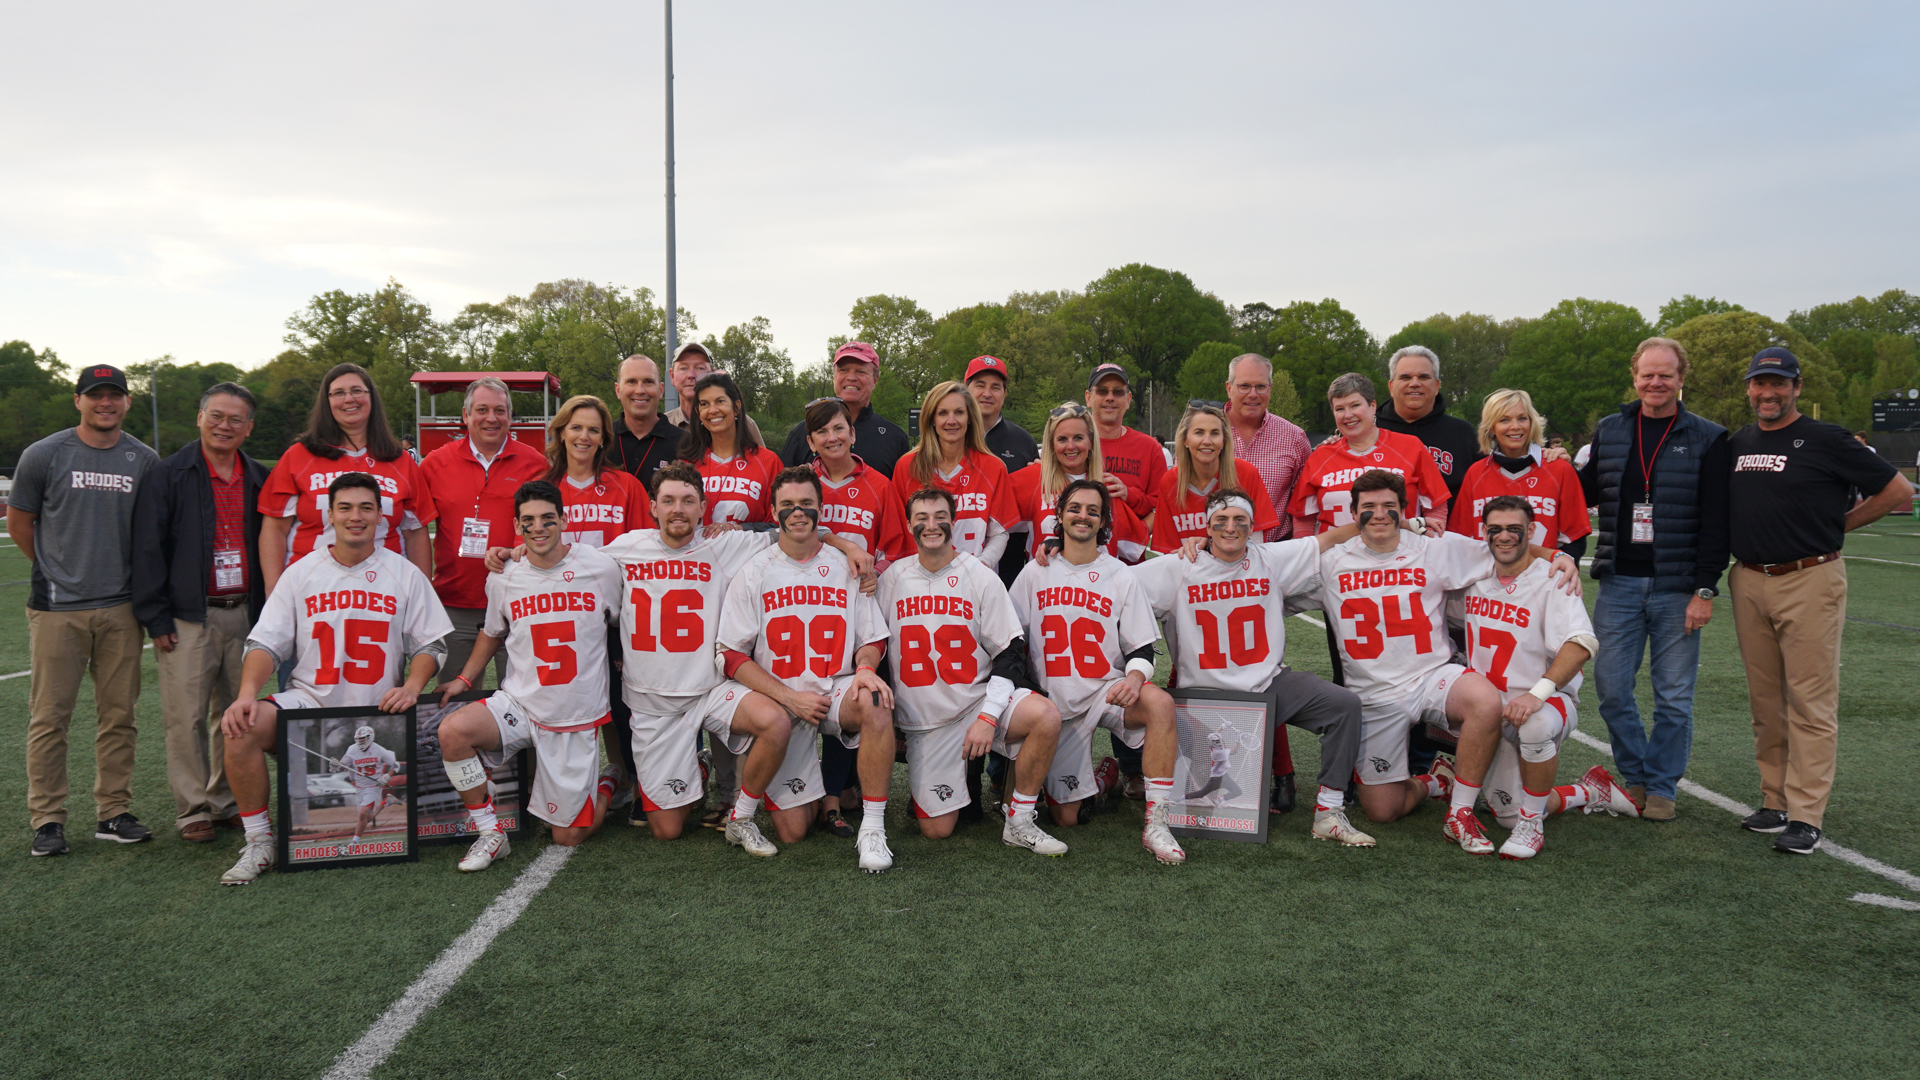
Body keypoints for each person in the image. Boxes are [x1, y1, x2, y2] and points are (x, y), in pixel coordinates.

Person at [1317, 470, 1581, 852]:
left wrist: (1556, 554)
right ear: (1352, 512)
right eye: (1368, 507)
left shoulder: (1435, 548)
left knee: (1484, 700)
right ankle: (1437, 780)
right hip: (1373, 693)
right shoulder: (1328, 561)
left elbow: (1503, 546)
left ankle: (1459, 813)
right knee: (1382, 810)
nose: (1379, 515)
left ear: (1404, 510)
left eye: (1389, 507)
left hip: (1431, 674)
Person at [599, 462, 853, 857]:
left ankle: (742, 815)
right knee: (667, 830)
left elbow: (799, 528)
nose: (678, 509)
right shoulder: (624, 549)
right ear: (653, 507)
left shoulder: (723, 545)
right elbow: (570, 562)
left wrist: (849, 547)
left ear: (704, 508)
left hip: (713, 689)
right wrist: (514, 550)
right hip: (654, 702)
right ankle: (699, 768)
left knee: (775, 720)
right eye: (668, 501)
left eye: (687, 501)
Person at [216, 472, 454, 884]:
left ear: (381, 516)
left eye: (365, 508)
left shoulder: (404, 573)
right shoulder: (301, 572)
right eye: (345, 507)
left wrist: (413, 686)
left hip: (379, 705)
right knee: (242, 726)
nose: (355, 517)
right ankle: (259, 840)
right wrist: (246, 694)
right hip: (309, 702)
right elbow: (265, 645)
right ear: (329, 515)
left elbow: (432, 645)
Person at [1726, 348, 1913, 855]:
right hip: (1749, 577)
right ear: (1749, 388)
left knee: (1810, 701)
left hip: (1809, 577)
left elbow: (1898, 490)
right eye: (1759, 384)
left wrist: (1840, 526)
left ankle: (1807, 814)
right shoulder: (1739, 441)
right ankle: (1775, 799)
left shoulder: (1827, 438)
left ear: (1796, 388)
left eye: (1778, 384)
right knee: (1766, 702)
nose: (1768, 393)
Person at [1131, 490, 1374, 846]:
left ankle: (1329, 811)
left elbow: (1328, 539)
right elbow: (1118, 585)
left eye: (1240, 521)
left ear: (1252, 524)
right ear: (1208, 527)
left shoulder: (1270, 558)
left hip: (1268, 684)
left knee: (1344, 706)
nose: (1231, 528)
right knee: (1210, 805)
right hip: (1206, 697)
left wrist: (1392, 522)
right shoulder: (1179, 565)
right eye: (1221, 521)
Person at [432, 481, 625, 870]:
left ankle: (612, 780)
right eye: (529, 521)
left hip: (574, 714)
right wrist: (465, 680)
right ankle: (491, 833)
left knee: (567, 837)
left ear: (564, 521)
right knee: (452, 732)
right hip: (519, 702)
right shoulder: (504, 575)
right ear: (517, 527)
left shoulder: (600, 567)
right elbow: (492, 632)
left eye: (547, 519)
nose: (538, 528)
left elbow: (621, 624)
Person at [1577, 336, 1731, 822]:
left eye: (1666, 374)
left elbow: (1717, 521)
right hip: (1619, 581)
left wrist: (1704, 589)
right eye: (1648, 374)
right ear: (1634, 377)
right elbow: (1579, 492)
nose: (1656, 383)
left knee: (1673, 697)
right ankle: (1636, 776)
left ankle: (1661, 786)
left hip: (1677, 588)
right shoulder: (1612, 428)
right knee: (1611, 687)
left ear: (1681, 379)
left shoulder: (1709, 436)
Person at [715, 467, 899, 872]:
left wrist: (866, 668)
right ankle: (798, 788)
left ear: (821, 509)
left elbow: (872, 637)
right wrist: (788, 698)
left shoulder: (846, 566)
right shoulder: (756, 569)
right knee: (794, 830)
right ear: (773, 510)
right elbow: (729, 655)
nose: (797, 514)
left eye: (806, 505)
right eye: (787, 506)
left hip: (832, 689)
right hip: (780, 697)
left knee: (875, 700)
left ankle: (872, 828)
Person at [11, 363, 161, 856]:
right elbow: (20, 523)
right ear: (78, 400)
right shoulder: (46, 454)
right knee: (49, 717)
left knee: (119, 716)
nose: (106, 403)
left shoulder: (143, 458)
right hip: (58, 610)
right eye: (96, 395)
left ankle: (113, 812)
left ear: (127, 402)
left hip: (120, 609)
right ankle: (48, 820)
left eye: (114, 395)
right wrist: (60, 571)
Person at [878, 486, 1068, 854]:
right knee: (936, 831)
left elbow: (1010, 651)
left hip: (977, 700)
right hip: (928, 720)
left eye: (940, 518)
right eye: (922, 518)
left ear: (953, 522)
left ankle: (1020, 820)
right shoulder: (892, 579)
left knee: (1044, 715)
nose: (931, 526)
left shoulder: (978, 574)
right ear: (908, 524)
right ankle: (949, 791)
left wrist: (989, 715)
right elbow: (877, 647)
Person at [1008, 479, 1185, 863]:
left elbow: (1141, 647)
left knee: (1160, 704)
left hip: (1104, 692)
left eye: (1092, 510)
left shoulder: (1121, 575)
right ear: (1059, 515)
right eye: (1074, 508)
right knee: (1066, 819)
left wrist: (1136, 677)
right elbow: (1010, 640)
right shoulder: (1034, 572)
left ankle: (1157, 822)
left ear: (1104, 519)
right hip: (1053, 707)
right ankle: (1107, 777)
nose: (1083, 516)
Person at [1463, 496, 1639, 860]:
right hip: (1487, 708)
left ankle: (1536, 821)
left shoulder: (1551, 577)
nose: (1504, 537)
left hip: (1542, 702)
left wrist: (1536, 693)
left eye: (1515, 529)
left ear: (1532, 531)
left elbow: (1581, 643)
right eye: (1495, 529)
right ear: (1484, 532)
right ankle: (1449, 777)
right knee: (1503, 812)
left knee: (1536, 727)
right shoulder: (1471, 573)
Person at [130, 381, 269, 843]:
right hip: (191, 614)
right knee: (185, 716)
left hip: (245, 611)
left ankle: (226, 800)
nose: (224, 426)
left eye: (235, 419)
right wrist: (156, 616)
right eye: (217, 416)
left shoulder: (258, 477)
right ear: (200, 417)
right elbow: (147, 547)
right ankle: (192, 809)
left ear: (248, 428)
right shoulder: (168, 473)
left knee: (234, 714)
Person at [539, 393, 650, 823]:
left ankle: (639, 783)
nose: (583, 436)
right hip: (557, 618)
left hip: (615, 616)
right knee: (568, 701)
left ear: (605, 437)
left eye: (593, 429)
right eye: (576, 427)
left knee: (625, 704)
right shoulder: (543, 484)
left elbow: (644, 555)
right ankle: (581, 785)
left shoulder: (626, 486)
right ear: (561, 431)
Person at [804, 395, 913, 836]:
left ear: (852, 433)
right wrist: (845, 545)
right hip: (807, 606)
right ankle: (819, 790)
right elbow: (787, 527)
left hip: (861, 606)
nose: (832, 437)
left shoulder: (878, 484)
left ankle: (847, 792)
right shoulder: (799, 481)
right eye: (822, 431)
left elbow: (895, 547)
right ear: (811, 440)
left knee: (856, 691)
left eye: (839, 429)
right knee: (816, 690)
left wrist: (874, 574)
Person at [257, 362, 432, 595]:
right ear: (327, 402)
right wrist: (274, 592)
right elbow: (274, 529)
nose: (349, 399)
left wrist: (423, 594)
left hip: (385, 592)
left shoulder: (400, 461)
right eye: (338, 393)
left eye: (357, 390)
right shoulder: (299, 456)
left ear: (371, 398)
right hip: (310, 592)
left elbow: (415, 532)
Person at [419, 377, 548, 690]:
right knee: (451, 700)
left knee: (521, 699)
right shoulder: (435, 463)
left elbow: (545, 527)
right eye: (482, 410)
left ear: (510, 416)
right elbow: (416, 529)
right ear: (465, 416)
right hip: (455, 603)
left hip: (516, 601)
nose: (492, 418)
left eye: (500, 410)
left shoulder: (535, 462)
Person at [1290, 372, 1451, 537]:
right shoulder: (1320, 456)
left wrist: (1430, 543)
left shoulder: (1411, 447)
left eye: (1355, 405)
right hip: (1336, 558)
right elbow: (1304, 518)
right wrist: (1309, 557)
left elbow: (1436, 506)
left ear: (1372, 406)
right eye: (1340, 409)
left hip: (1401, 556)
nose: (1348, 415)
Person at [1448, 388, 1591, 559]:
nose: (1515, 426)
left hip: (1543, 580)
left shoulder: (1559, 469)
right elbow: (1461, 539)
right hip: (1488, 581)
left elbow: (1574, 538)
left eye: (1522, 418)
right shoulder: (1476, 473)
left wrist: (1555, 576)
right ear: (1491, 427)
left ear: (1532, 423)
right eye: (1504, 420)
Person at [892, 380, 1020, 569]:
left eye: (959, 412)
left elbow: (999, 533)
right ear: (931, 419)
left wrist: (981, 566)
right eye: (943, 413)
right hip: (921, 582)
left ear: (969, 417)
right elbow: (897, 531)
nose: (951, 421)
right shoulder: (908, 467)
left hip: (974, 582)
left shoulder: (993, 467)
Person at [1007, 403, 1149, 564]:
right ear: (1052, 444)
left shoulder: (1105, 487)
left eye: (1078, 438)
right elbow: (989, 522)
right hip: (1048, 585)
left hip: (1100, 586)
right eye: (1062, 439)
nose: (1071, 446)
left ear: (1090, 441)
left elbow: (1137, 541)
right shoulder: (1033, 480)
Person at [1151, 401, 1278, 552]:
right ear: (1185, 439)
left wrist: (1212, 548)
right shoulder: (1170, 481)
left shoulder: (1246, 473)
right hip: (1189, 572)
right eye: (1199, 432)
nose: (1207, 441)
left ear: (1224, 440)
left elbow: (1256, 546)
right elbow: (1168, 553)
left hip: (1238, 571)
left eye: (1215, 433)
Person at [964, 355, 1041, 587]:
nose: (987, 393)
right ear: (966, 389)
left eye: (995, 387)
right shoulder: (950, 434)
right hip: (954, 559)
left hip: (1010, 566)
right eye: (980, 385)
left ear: (1004, 394)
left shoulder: (1023, 440)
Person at [780, 341, 911, 477]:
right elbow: (781, 490)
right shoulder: (803, 432)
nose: (851, 377)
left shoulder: (894, 438)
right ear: (834, 376)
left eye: (860, 371)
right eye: (843, 370)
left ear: (875, 380)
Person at [1377, 345, 1483, 501]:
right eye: (1405, 377)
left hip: (1447, 524)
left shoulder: (1463, 433)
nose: (1414, 383)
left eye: (1423, 377)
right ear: (1391, 386)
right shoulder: (1368, 429)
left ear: (1436, 386)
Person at [1225, 353, 1312, 543]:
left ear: (1270, 389)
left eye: (1260, 386)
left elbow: (1303, 506)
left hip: (1275, 555)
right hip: (1213, 555)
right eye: (1244, 386)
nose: (1253, 394)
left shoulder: (1294, 437)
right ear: (1229, 388)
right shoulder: (1205, 434)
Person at [681, 371, 786, 525]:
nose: (712, 410)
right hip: (696, 549)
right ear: (698, 413)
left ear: (736, 407)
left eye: (720, 401)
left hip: (752, 548)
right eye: (704, 404)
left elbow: (781, 525)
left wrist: (741, 530)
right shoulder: (686, 464)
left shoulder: (768, 462)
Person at [1083, 363, 1165, 532]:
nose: (1110, 397)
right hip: (1078, 551)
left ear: (1128, 400)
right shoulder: (1071, 446)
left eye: (1118, 392)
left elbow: (1162, 507)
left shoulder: (1149, 447)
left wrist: (1128, 495)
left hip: (1129, 555)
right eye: (1102, 391)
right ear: (1088, 398)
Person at [607, 354, 685, 489]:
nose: (640, 390)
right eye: (631, 381)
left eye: (648, 382)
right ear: (618, 390)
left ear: (661, 390)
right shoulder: (602, 440)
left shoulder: (685, 443)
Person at [664, 341, 762, 444]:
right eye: (683, 368)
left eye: (700, 368)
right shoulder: (662, 425)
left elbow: (762, 459)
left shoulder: (742, 424)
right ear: (672, 376)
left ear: (712, 375)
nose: (691, 375)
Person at [340, 724, 400, 850]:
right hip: (359, 787)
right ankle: (386, 802)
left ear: (370, 737)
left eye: (363, 739)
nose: (360, 742)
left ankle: (353, 844)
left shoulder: (378, 750)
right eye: (358, 739)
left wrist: (386, 776)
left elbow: (395, 765)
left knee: (362, 813)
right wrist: (336, 766)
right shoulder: (352, 749)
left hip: (373, 786)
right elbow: (342, 765)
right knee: (366, 818)